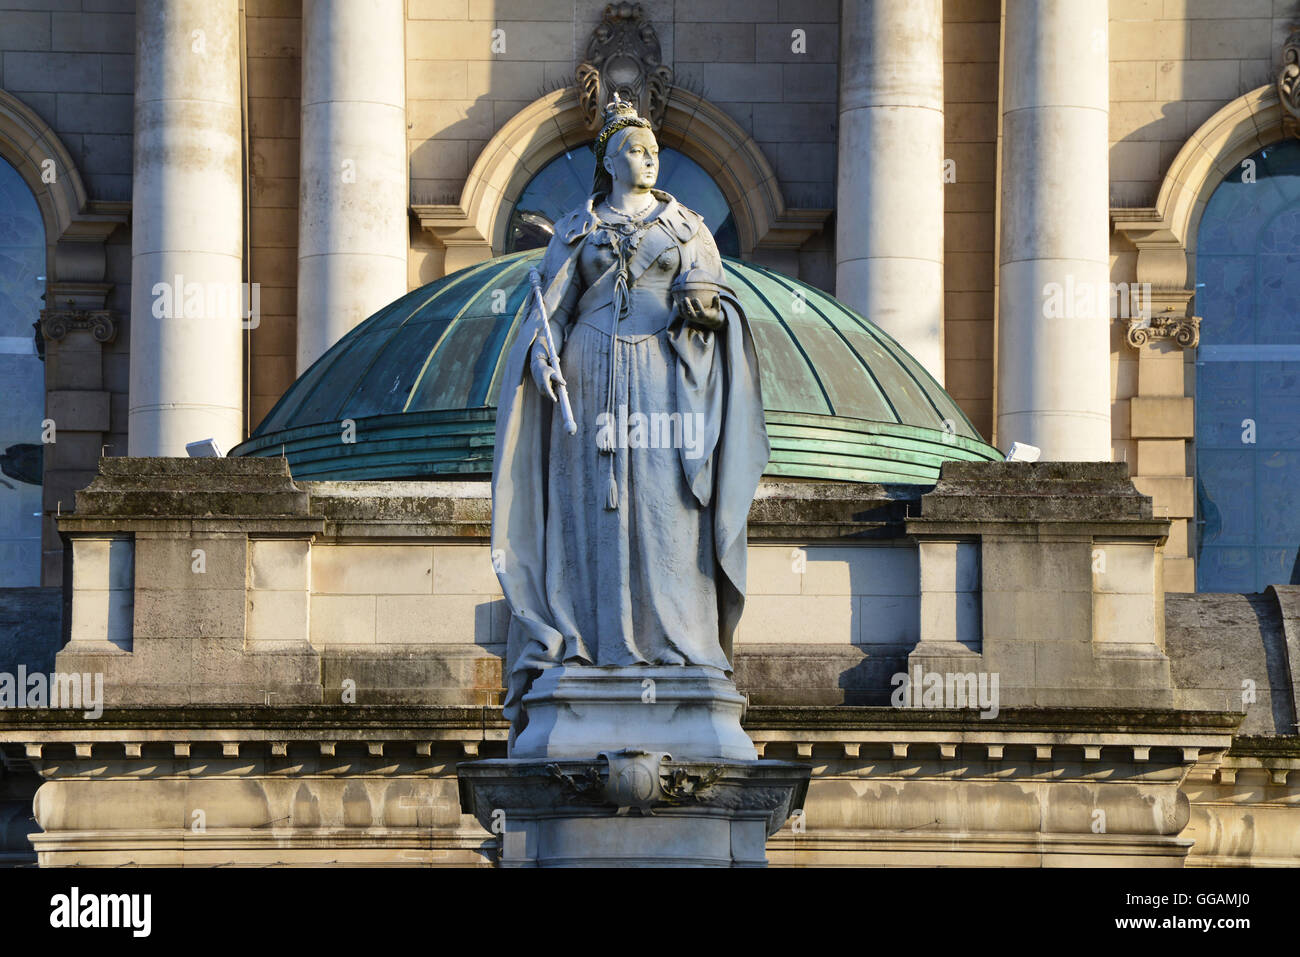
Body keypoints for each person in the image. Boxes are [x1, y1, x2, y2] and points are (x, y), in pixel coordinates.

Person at [491, 94, 769, 733]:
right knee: (587, 504)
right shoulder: (577, 227)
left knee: (665, 504)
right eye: (636, 153)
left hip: (663, 372)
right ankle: (588, 641)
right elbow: (552, 310)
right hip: (587, 372)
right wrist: (540, 355)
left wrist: (707, 309)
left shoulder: (687, 228)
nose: (649, 161)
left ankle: (676, 641)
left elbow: (715, 297)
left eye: (653, 152)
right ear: (611, 160)